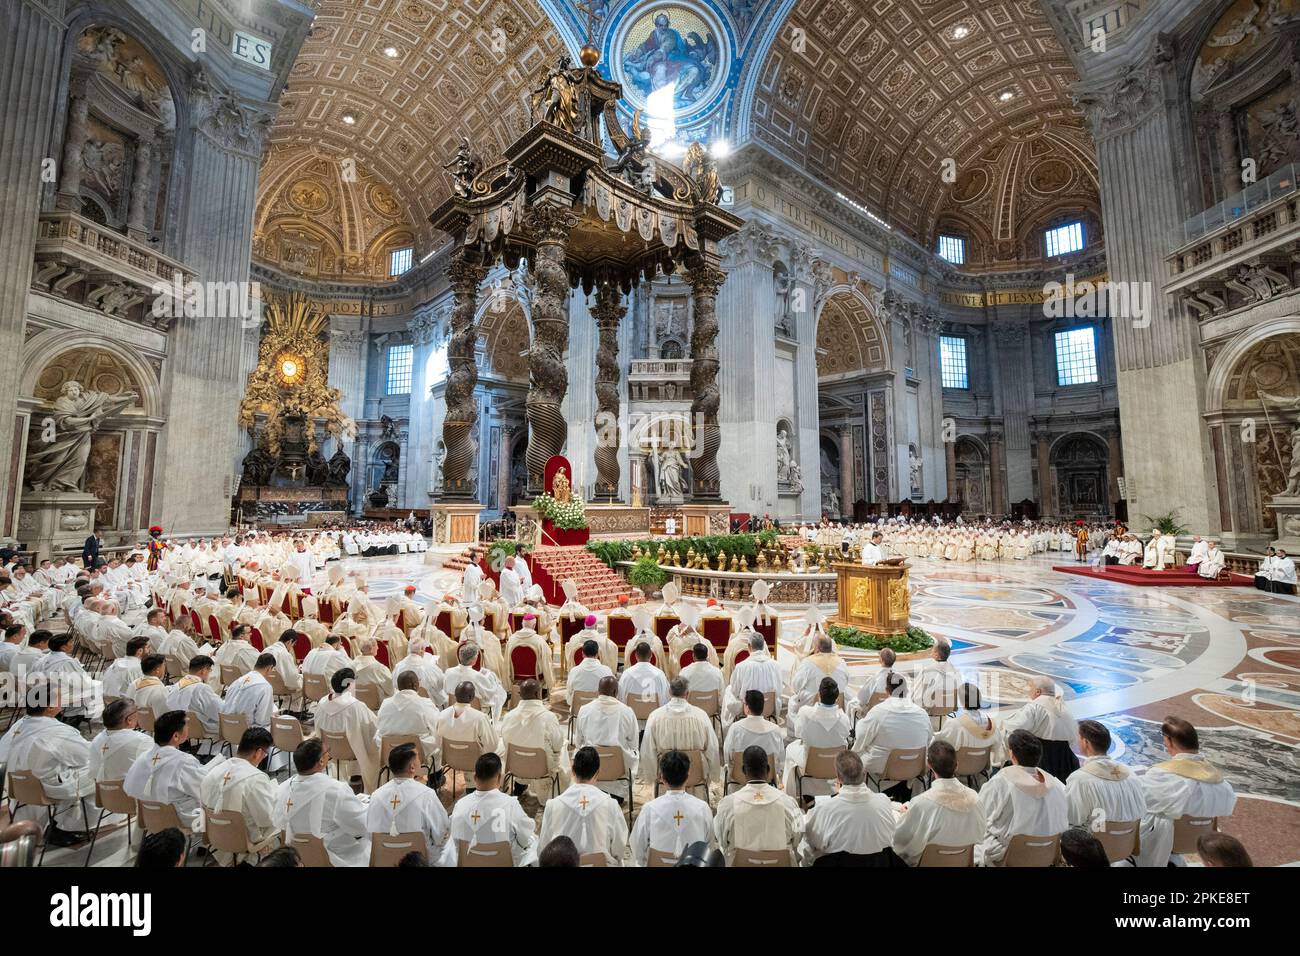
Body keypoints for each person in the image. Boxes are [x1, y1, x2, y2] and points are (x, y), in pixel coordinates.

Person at [1135, 716, 1236, 867]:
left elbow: (1138, 800)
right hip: (1200, 839)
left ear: (1169, 741)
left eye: (1165, 741)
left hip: (1165, 840)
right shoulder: (1219, 780)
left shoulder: (1162, 775)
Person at [0, 687, 96, 842]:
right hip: (45, 788)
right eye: (60, 698)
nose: (63, 701)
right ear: (50, 707)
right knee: (99, 769)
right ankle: (68, 825)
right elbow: (87, 755)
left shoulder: (19, 725)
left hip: (16, 786)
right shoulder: (57, 732)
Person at [975, 729, 1069, 866]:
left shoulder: (1001, 782)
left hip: (1012, 854)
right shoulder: (1056, 785)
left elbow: (980, 815)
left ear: (1012, 754)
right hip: (1048, 853)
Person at [273, 737, 370, 866]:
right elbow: (360, 826)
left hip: (296, 855)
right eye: (327, 752)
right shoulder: (335, 789)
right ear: (321, 761)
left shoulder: (282, 788)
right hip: (334, 855)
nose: (329, 754)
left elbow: (279, 822)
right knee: (370, 845)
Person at [891, 740, 986, 866]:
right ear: (956, 765)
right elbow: (980, 835)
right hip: (964, 861)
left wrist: (904, 817)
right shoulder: (975, 798)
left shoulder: (921, 803)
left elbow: (901, 842)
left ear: (929, 765)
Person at [801, 750, 899, 866]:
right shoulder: (883, 801)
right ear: (864, 774)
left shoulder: (824, 809)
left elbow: (812, 842)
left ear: (838, 778)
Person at [124, 711, 216, 830]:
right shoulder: (183, 762)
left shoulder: (143, 757)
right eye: (186, 725)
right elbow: (204, 789)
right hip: (179, 819)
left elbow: (129, 788)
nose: (188, 728)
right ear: (176, 736)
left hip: (149, 816)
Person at [714, 746, 804, 866]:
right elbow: (799, 836)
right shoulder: (789, 803)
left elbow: (721, 840)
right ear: (768, 769)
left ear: (743, 770)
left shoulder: (727, 805)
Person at [538, 746, 628, 866]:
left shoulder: (553, 805)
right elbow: (619, 848)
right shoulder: (611, 805)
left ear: (573, 771)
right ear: (597, 773)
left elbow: (544, 849)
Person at [199, 727, 278, 859]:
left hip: (214, 834)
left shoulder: (214, 770)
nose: (263, 757)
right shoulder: (256, 778)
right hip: (243, 840)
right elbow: (267, 819)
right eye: (264, 754)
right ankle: (252, 860)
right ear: (258, 752)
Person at [448, 753, 539, 866]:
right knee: (534, 841)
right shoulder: (511, 804)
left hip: (469, 863)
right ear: (499, 777)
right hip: (503, 863)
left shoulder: (460, 806)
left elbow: (453, 840)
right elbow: (524, 838)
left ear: (475, 777)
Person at [366, 743, 451, 865]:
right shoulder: (426, 795)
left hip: (384, 858)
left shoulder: (376, 795)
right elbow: (441, 832)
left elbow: (370, 835)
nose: (420, 760)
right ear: (412, 767)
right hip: (420, 860)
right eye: (418, 758)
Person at [852, 672, 931, 799]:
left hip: (884, 768)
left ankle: (865, 799)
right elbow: (928, 739)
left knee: (858, 754)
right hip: (915, 766)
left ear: (887, 691)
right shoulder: (922, 713)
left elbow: (861, 736)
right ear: (906, 690)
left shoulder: (879, 712)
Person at [1065, 719, 1146, 843]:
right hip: (1127, 842)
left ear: (1086, 742)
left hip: (1096, 846)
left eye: (1079, 738)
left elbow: (1072, 817)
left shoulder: (1080, 779)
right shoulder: (1131, 775)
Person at [629, 750, 715, 866]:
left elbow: (637, 846)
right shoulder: (703, 808)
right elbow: (708, 847)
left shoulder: (649, 809)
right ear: (687, 776)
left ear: (662, 778)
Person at [639, 676, 720, 788]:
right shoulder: (701, 715)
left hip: (666, 775)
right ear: (687, 693)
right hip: (696, 774)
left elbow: (647, 751)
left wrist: (652, 776)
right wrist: (714, 775)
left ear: (669, 692)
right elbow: (713, 748)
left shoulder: (655, 716)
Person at [496, 679, 567, 804]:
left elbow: (506, 741)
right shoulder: (548, 717)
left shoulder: (509, 716)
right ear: (537, 694)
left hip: (515, 765)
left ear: (520, 695)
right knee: (563, 747)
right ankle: (551, 798)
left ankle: (519, 784)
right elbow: (557, 744)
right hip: (542, 768)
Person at [999, 676, 1079, 783]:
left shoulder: (1035, 707)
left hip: (1043, 758)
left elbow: (1012, 730)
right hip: (1066, 758)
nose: (1028, 690)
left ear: (1038, 691)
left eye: (1030, 687)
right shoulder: (1064, 707)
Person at [783, 677, 853, 798]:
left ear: (819, 694)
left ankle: (792, 794)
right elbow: (846, 737)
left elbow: (798, 734)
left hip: (810, 763)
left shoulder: (805, 713)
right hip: (834, 764)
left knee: (790, 748)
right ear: (837, 698)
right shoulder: (844, 718)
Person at [314, 668, 380, 793]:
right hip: (351, 751)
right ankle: (368, 789)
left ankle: (352, 777)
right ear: (349, 685)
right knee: (374, 745)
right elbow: (374, 727)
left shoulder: (322, 702)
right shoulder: (355, 706)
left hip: (330, 750)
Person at [572, 675, 638, 802]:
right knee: (633, 752)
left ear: (598, 691)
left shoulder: (584, 710)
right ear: (616, 692)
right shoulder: (627, 712)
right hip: (617, 775)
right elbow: (634, 744)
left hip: (589, 773)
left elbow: (578, 742)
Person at [436, 682, 498, 788]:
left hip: (451, 760)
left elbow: (438, 741)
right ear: (471, 696)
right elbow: (492, 745)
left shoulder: (442, 715)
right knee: (497, 750)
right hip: (474, 762)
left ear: (455, 696)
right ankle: (482, 785)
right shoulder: (479, 717)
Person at [375, 670, 442, 767]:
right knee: (439, 735)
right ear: (415, 685)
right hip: (416, 752)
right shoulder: (425, 704)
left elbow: (380, 726)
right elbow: (436, 726)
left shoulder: (385, 703)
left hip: (390, 751)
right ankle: (435, 776)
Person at [723, 688, 786, 783]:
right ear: (762, 707)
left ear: (747, 707)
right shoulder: (775, 730)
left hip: (740, 780)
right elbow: (781, 759)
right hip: (767, 779)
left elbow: (727, 754)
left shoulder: (736, 728)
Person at [723, 632, 783, 727]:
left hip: (748, 708)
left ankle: (728, 731)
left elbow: (734, 691)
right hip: (768, 707)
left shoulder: (741, 666)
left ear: (749, 646)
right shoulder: (776, 665)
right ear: (763, 646)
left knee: (728, 691)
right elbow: (779, 690)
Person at [88, 699, 153, 783]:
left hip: (104, 792)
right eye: (137, 711)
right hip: (133, 794)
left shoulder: (96, 739)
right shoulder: (142, 741)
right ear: (129, 720)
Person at [166, 655, 222, 740]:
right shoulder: (201, 688)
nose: (209, 673)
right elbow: (219, 711)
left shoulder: (177, 684)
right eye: (209, 670)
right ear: (203, 671)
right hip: (202, 729)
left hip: (180, 727)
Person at [222, 653, 277, 730]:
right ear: (269, 668)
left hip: (227, 726)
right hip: (246, 731)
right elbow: (263, 720)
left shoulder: (237, 681)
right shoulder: (265, 686)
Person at [618, 641, 670, 715]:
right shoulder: (659, 674)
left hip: (632, 717)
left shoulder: (627, 674)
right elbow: (666, 698)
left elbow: (620, 698)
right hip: (654, 717)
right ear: (651, 655)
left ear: (635, 655)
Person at [566, 639, 614, 705]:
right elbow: (613, 693)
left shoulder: (574, 671)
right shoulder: (606, 671)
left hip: (579, 709)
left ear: (582, 654)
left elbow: (569, 692)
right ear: (597, 654)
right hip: (600, 709)